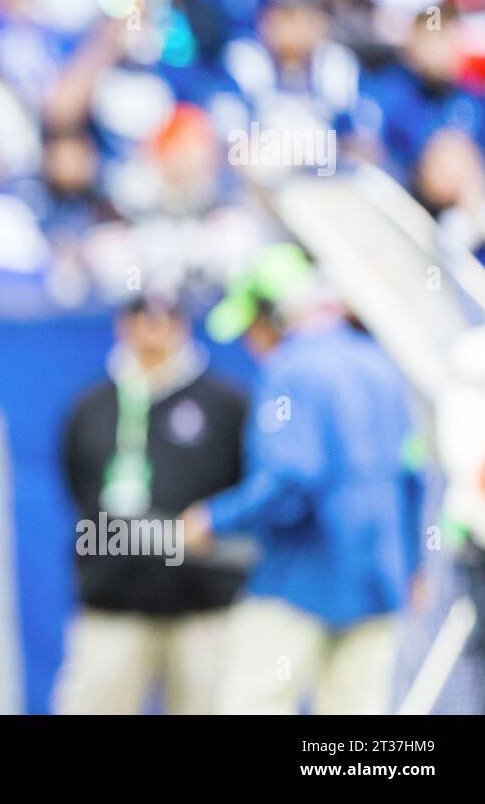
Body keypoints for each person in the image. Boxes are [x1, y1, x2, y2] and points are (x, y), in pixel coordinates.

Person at [181, 244, 425, 714]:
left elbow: (291, 480)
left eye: (251, 325)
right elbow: (411, 476)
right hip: (379, 580)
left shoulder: (291, 371)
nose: (251, 342)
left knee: (252, 703)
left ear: (272, 314)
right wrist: (411, 564)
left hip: (298, 583)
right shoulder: (380, 364)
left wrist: (213, 520)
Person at [55, 291, 248, 714]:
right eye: (141, 318)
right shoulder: (92, 406)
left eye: (164, 319)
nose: (152, 331)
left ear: (182, 326)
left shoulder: (225, 405)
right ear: (123, 326)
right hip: (113, 604)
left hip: (204, 606)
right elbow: (76, 482)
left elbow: (246, 488)